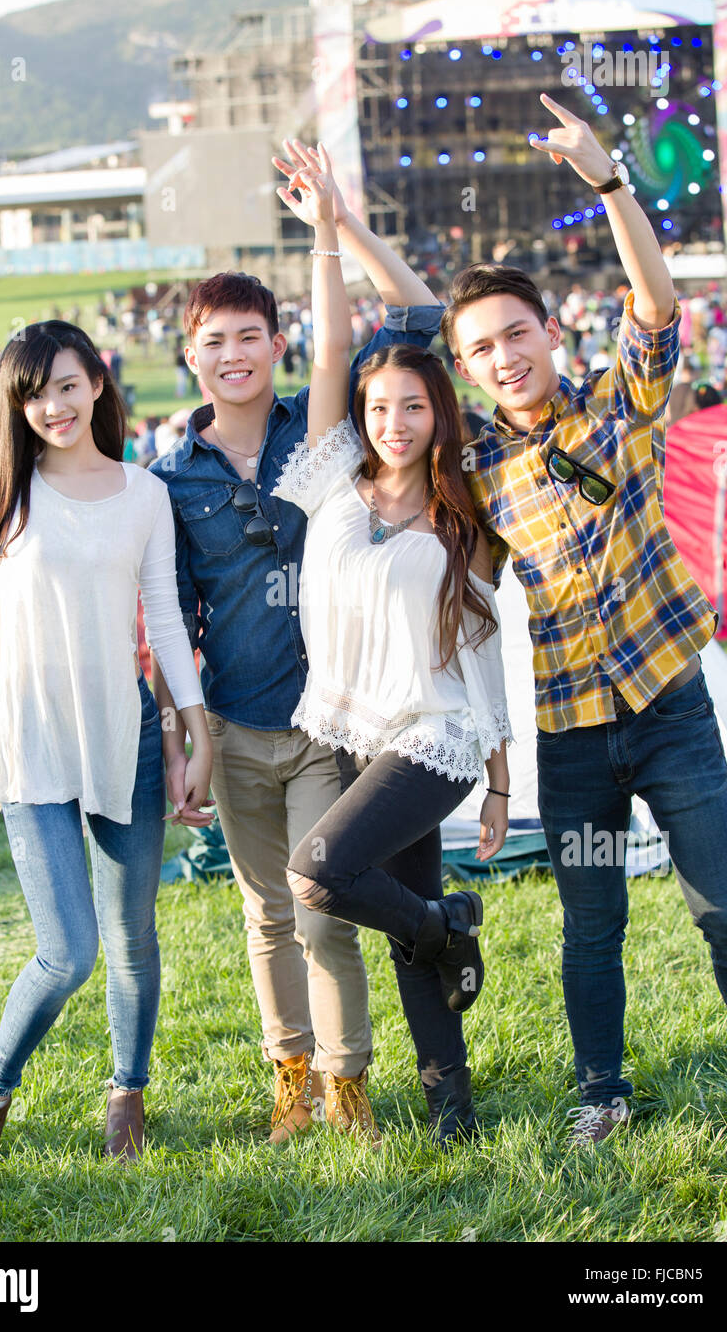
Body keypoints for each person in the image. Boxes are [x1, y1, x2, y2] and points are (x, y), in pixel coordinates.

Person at [442, 94, 727, 1146]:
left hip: (671, 713)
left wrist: (608, 181)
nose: (500, 356)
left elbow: (655, 306)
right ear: (468, 367)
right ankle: (600, 1091)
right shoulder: (474, 469)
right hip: (569, 736)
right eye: (478, 348)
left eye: (513, 333)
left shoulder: (616, 405)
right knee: (591, 926)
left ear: (546, 331)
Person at [0, 155, 211, 1165]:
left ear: (97, 387)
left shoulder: (143, 493)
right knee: (70, 949)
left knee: (133, 938)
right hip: (34, 740)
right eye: (37, 393)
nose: (54, 405)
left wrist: (193, 733)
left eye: (69, 387)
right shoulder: (5, 479)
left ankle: (126, 1095)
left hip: (127, 737)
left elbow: (166, 623)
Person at [149, 139, 443, 1144]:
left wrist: (323, 228)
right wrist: (180, 739)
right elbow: (169, 615)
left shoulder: (314, 442)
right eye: (211, 340)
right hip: (232, 728)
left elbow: (343, 350)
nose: (231, 354)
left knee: (322, 909)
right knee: (265, 915)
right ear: (188, 353)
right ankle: (290, 1078)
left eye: (247, 335)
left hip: (323, 720)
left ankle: (346, 1077)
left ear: (271, 341)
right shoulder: (169, 477)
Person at [272, 145, 511, 1147]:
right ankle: (450, 1109)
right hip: (354, 731)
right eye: (381, 408)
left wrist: (496, 780)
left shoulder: (463, 507)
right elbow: (337, 347)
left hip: (434, 737)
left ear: (438, 411)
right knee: (404, 902)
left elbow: (484, 653)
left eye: (414, 404)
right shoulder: (334, 481)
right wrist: (323, 229)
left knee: (316, 872)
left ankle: (442, 923)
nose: (395, 420)